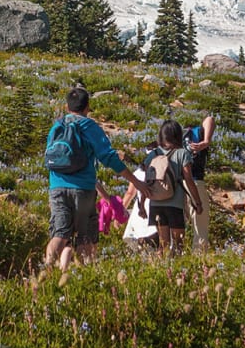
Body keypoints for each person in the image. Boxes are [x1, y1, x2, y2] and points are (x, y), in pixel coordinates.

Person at [44, 87, 147, 270]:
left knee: (59, 233)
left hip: (56, 186)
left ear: (67, 106)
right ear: (87, 107)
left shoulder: (57, 126)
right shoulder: (89, 126)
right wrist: (134, 180)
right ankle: (86, 275)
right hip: (83, 188)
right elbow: (108, 157)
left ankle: (47, 271)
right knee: (85, 235)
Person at [143, 120, 203, 255]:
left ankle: (159, 272)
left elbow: (146, 180)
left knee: (163, 244)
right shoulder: (182, 153)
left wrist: (141, 204)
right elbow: (189, 179)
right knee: (178, 245)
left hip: (155, 203)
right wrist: (197, 202)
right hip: (174, 204)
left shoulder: (153, 154)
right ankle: (175, 272)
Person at [184, 115, 215, 249]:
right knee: (200, 223)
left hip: (179, 183)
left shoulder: (179, 137)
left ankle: (174, 254)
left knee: (180, 222)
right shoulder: (198, 133)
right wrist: (206, 141)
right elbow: (210, 119)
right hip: (196, 181)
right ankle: (200, 255)